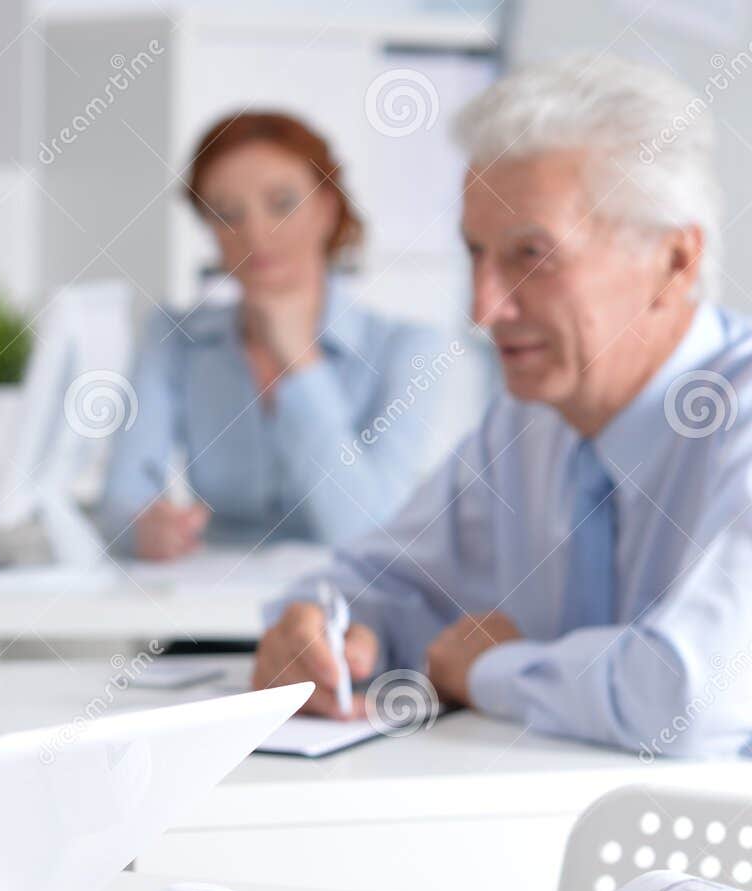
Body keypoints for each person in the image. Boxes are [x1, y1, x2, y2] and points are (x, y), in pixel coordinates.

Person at [254, 56, 752, 760]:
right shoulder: (530, 422)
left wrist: (489, 669)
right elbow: (386, 583)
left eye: (532, 256)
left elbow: (692, 699)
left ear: (674, 261)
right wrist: (319, 630)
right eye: (476, 253)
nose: (483, 309)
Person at [98, 111, 460, 558]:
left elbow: (366, 530)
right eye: (226, 213)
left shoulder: (408, 350)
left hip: (347, 613)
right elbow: (120, 502)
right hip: (208, 610)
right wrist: (145, 530)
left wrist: (301, 362)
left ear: (327, 209)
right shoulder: (174, 339)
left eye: (282, 203)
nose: (254, 232)